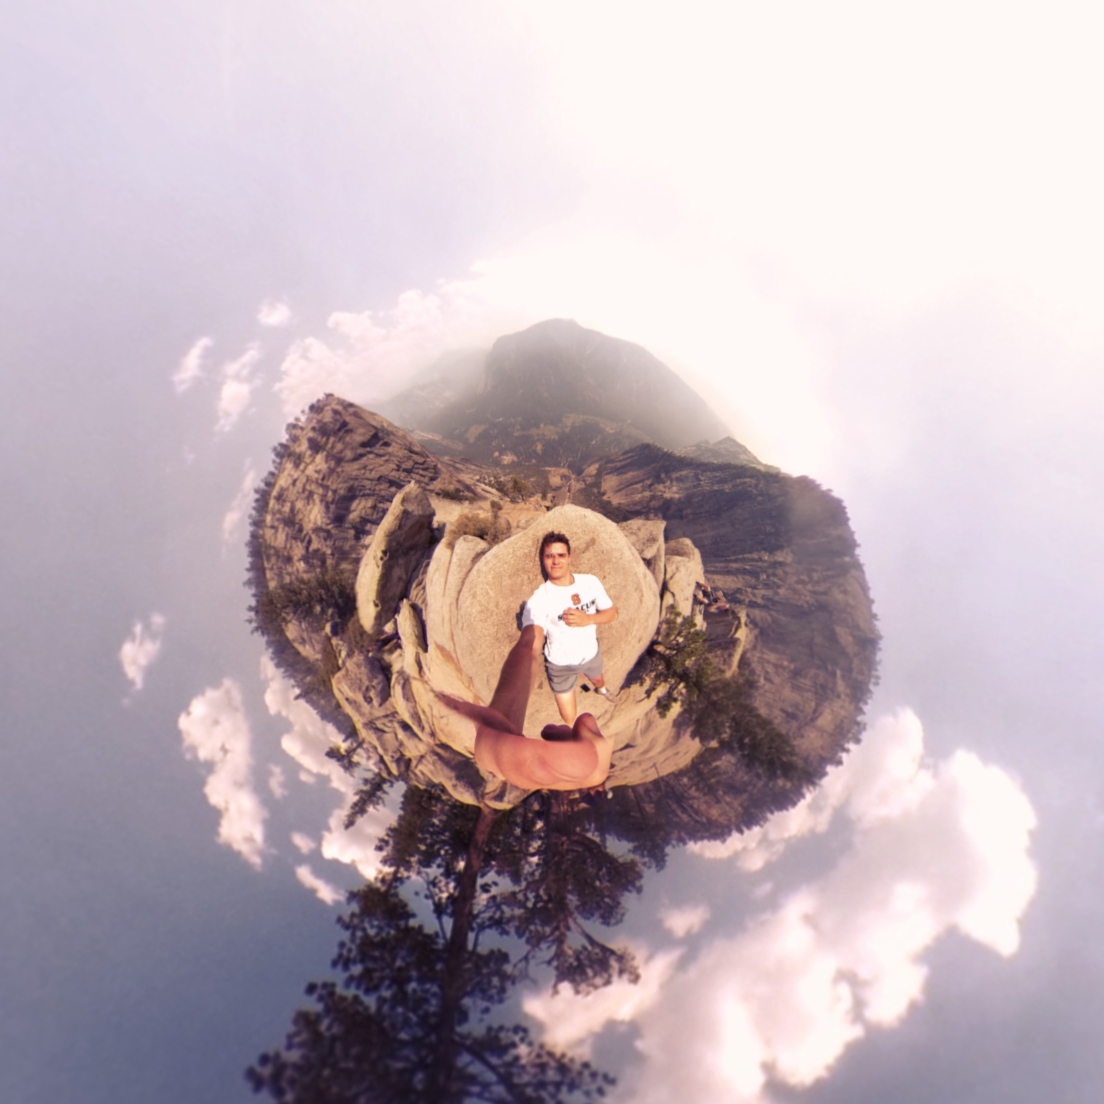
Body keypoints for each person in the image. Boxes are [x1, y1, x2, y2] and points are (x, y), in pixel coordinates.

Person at [522, 531, 618, 724]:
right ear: (543, 560)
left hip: (591, 654)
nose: (555, 561)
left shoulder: (590, 582)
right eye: (550, 556)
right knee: (570, 720)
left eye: (561, 555)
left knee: (598, 678)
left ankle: (603, 690)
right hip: (560, 666)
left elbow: (612, 613)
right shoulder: (540, 599)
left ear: (569, 557)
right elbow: (532, 637)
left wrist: (588, 619)